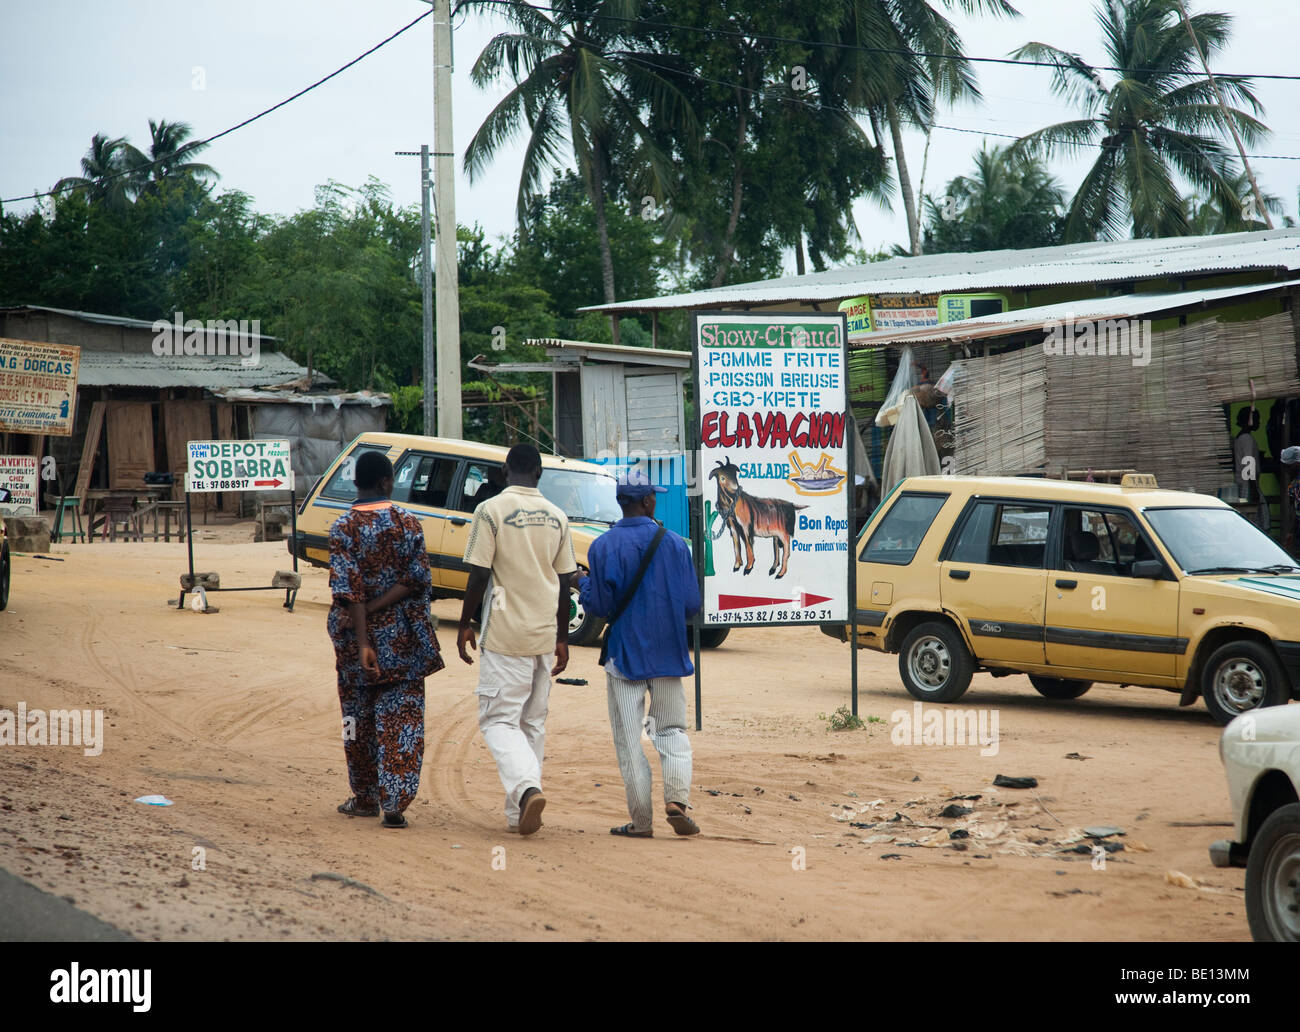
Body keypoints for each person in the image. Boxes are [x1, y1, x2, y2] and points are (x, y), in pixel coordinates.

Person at [458, 444, 576, 835]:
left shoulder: (490, 511)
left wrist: (464, 624)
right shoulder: (558, 517)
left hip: (506, 634)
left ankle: (527, 790)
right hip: (544, 636)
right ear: (539, 473)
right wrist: (562, 637)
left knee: (497, 721)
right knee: (532, 725)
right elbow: (564, 583)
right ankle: (518, 813)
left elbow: (477, 575)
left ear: (506, 472)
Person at [578, 468, 702, 838]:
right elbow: (692, 605)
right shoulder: (676, 543)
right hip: (667, 654)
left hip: (623, 657)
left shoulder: (601, 547)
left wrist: (581, 584)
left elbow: (599, 605)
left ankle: (642, 821)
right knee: (671, 730)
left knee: (630, 740)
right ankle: (677, 799)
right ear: (647, 501)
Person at [328, 450, 443, 829]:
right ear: (386, 482)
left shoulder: (343, 528)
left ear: (356, 482)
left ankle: (364, 799)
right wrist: (381, 608)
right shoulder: (408, 523)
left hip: (353, 645)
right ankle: (394, 803)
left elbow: (350, 590)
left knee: (356, 722)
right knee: (402, 720)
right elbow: (415, 580)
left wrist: (363, 641)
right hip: (404, 643)